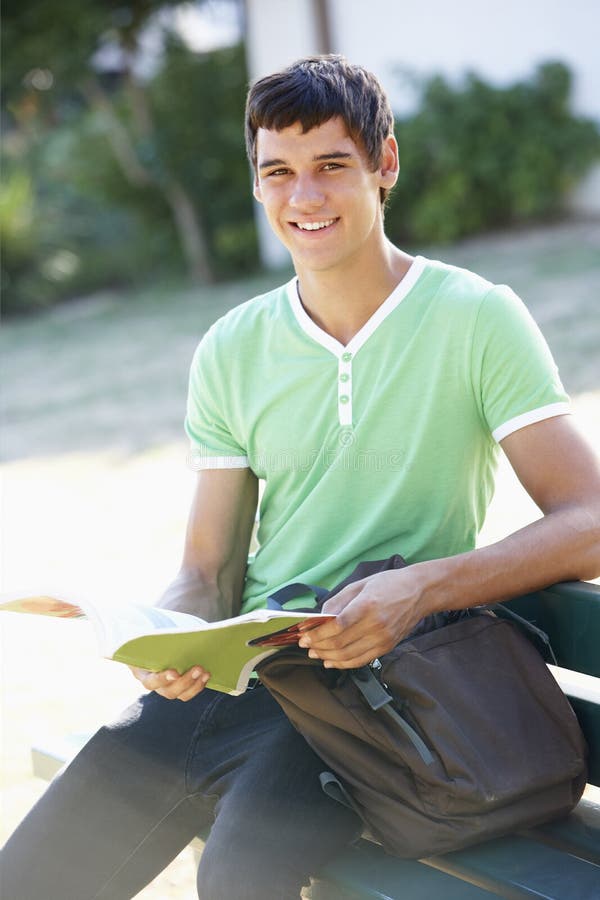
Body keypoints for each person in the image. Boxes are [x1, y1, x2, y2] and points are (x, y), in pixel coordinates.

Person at [2, 55, 600, 900]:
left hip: (383, 697)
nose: (304, 199)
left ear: (384, 163)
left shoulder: (476, 318)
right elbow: (208, 572)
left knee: (236, 880)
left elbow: (592, 522)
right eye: (278, 172)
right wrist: (169, 639)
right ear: (255, 184)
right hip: (252, 676)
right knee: (32, 878)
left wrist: (421, 590)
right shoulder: (232, 349)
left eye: (331, 167)